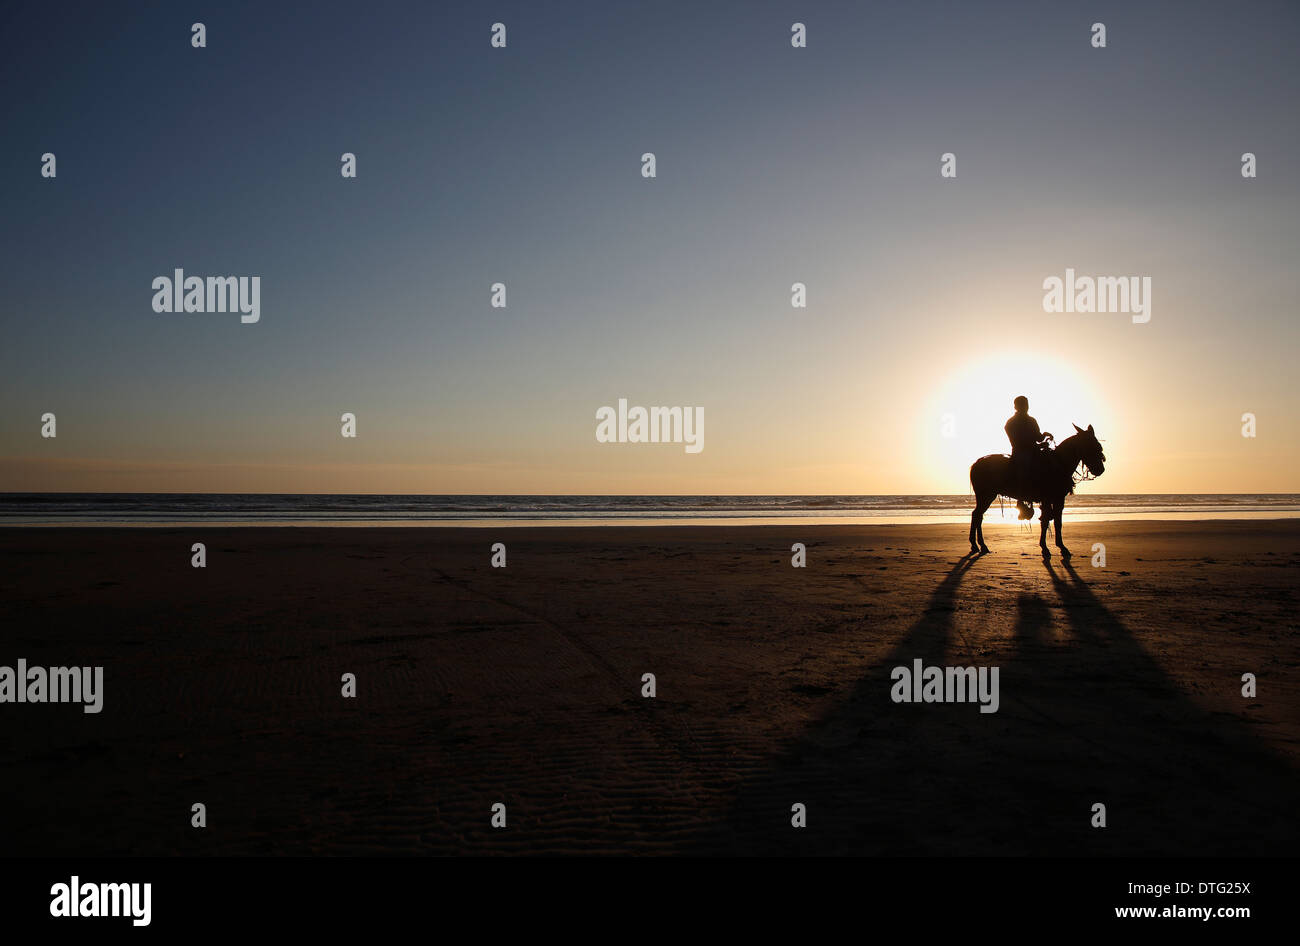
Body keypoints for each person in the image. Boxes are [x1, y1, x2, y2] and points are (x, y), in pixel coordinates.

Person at [1005, 395, 1050, 520]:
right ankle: (1021, 501)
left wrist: (1044, 436)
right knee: (1025, 469)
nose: (1026, 407)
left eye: (1026, 404)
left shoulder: (1028, 421)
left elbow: (1038, 438)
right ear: (1017, 406)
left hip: (1031, 450)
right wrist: (1038, 441)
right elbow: (1030, 439)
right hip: (1021, 452)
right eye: (1024, 405)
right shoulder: (1015, 422)